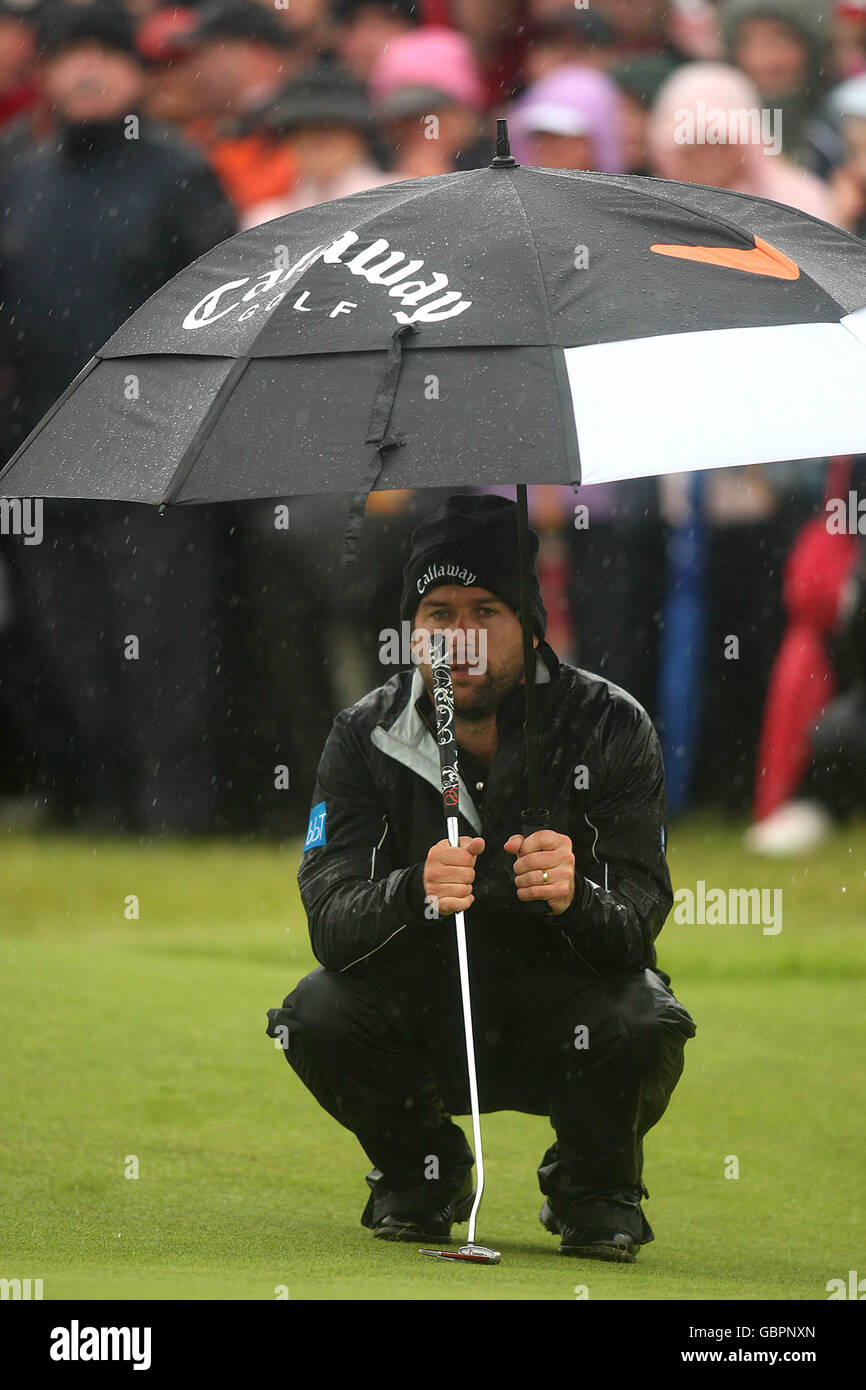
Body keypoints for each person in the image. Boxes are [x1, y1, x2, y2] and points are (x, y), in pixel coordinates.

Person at [266, 494, 696, 1261]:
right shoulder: (363, 735)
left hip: (566, 1017)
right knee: (312, 1012)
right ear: (411, 629)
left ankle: (594, 1186)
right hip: (429, 1019)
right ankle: (423, 1177)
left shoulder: (610, 723)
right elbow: (328, 920)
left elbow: (640, 920)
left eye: (483, 610)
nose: (457, 638)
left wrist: (575, 899)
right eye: (437, 614)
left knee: (648, 1020)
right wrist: (410, 891)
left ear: (529, 623)